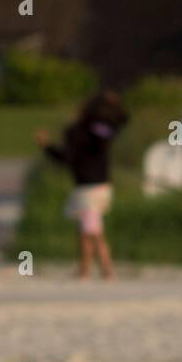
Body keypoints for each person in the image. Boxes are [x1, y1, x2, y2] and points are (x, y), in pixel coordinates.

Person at [36, 91, 128, 281]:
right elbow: (120, 123)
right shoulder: (101, 130)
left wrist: (46, 146)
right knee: (86, 230)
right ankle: (86, 269)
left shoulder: (76, 131)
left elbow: (65, 157)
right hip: (102, 186)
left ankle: (104, 270)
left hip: (88, 188)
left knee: (92, 231)